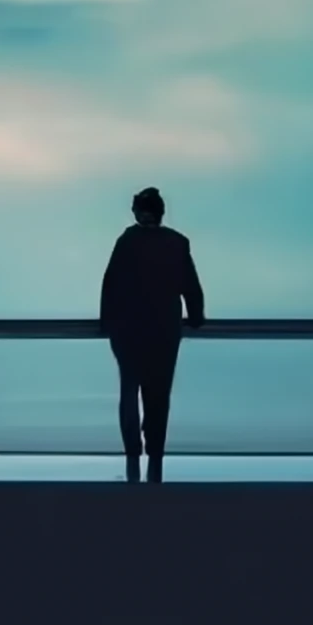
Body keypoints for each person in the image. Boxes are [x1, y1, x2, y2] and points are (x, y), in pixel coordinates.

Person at [99, 187, 205, 483]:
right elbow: (191, 287)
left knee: (129, 391)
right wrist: (195, 318)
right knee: (159, 395)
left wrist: (106, 323)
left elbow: (110, 283)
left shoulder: (127, 242)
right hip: (164, 331)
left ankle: (132, 452)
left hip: (128, 330)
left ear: (136, 212)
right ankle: (156, 451)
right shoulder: (177, 243)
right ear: (161, 212)